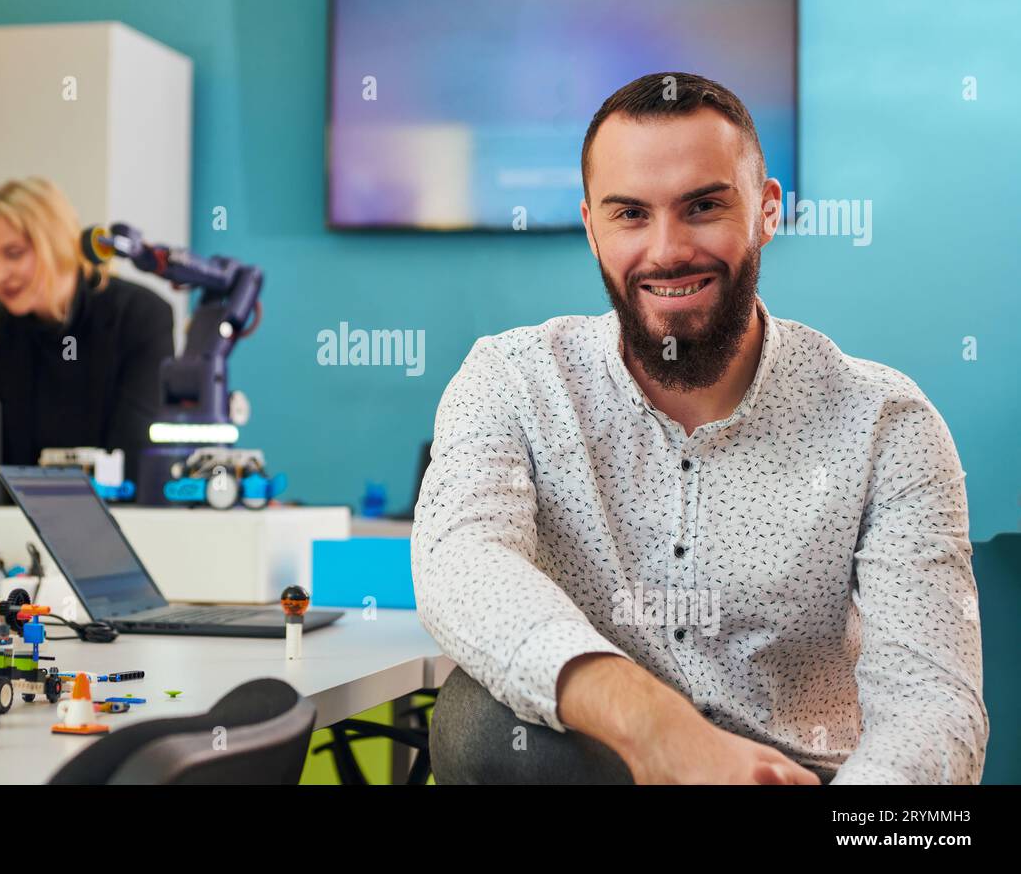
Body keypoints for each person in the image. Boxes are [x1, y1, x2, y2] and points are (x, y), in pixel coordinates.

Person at [413, 72, 987, 785]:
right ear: (591, 227)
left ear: (767, 210)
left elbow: (932, 702)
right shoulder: (513, 379)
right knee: (479, 722)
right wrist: (658, 728)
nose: (667, 250)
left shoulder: (886, 423)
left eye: (704, 206)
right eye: (631, 214)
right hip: (609, 763)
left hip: (806, 780)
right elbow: (461, 562)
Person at [0, 177, 174, 485]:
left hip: (117, 509)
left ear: (56, 242)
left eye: (14, 253)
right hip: (16, 511)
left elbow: (133, 456)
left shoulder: (140, 315)